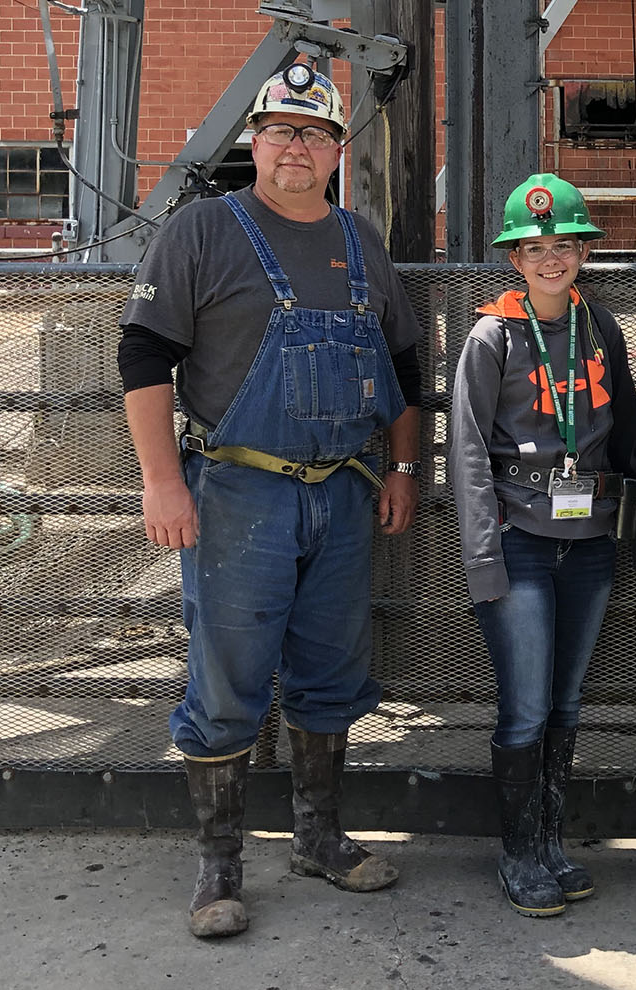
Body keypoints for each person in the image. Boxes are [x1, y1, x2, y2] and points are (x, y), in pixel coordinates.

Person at [118, 66, 422, 938]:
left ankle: (319, 838)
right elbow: (143, 356)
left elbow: (403, 365)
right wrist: (162, 481)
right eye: (281, 130)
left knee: (330, 671)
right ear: (255, 142)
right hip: (237, 496)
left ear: (337, 151)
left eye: (315, 134)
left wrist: (404, 467)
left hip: (344, 494)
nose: (297, 147)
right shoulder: (203, 231)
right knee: (228, 678)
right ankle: (219, 865)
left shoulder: (360, 239)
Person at [449, 174, 636, 918]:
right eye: (535, 249)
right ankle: (518, 853)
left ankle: (551, 843)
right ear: (515, 259)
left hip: (590, 538)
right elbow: (467, 450)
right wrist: (482, 557)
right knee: (526, 706)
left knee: (565, 701)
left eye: (564, 244)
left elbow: (626, 427)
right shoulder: (491, 336)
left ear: (583, 252)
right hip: (520, 538)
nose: (551, 258)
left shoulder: (601, 327)